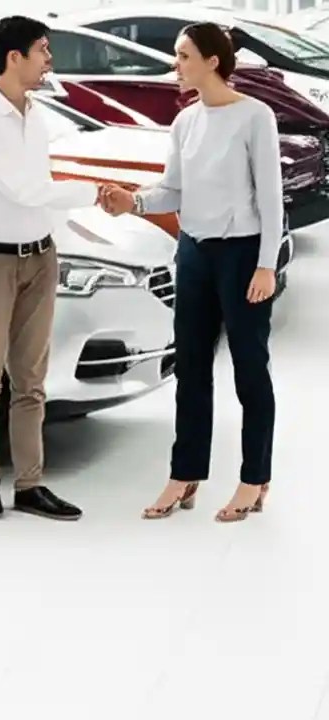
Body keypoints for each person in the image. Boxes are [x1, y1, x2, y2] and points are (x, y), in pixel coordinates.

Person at [99, 22, 280, 523]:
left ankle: (254, 478)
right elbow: (172, 191)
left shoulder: (254, 117)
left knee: (249, 370)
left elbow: (271, 198)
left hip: (243, 255)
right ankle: (186, 473)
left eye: (182, 56)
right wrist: (130, 201)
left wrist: (266, 265)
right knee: (192, 369)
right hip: (195, 253)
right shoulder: (185, 123)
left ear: (212, 62)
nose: (174, 65)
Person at [0, 16, 100, 521]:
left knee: (32, 380)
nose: (49, 59)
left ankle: (30, 485)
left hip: (40, 256)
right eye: (42, 50)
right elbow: (26, 189)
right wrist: (97, 194)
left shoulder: (35, 114)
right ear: (13, 57)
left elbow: (42, 186)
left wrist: (70, 232)